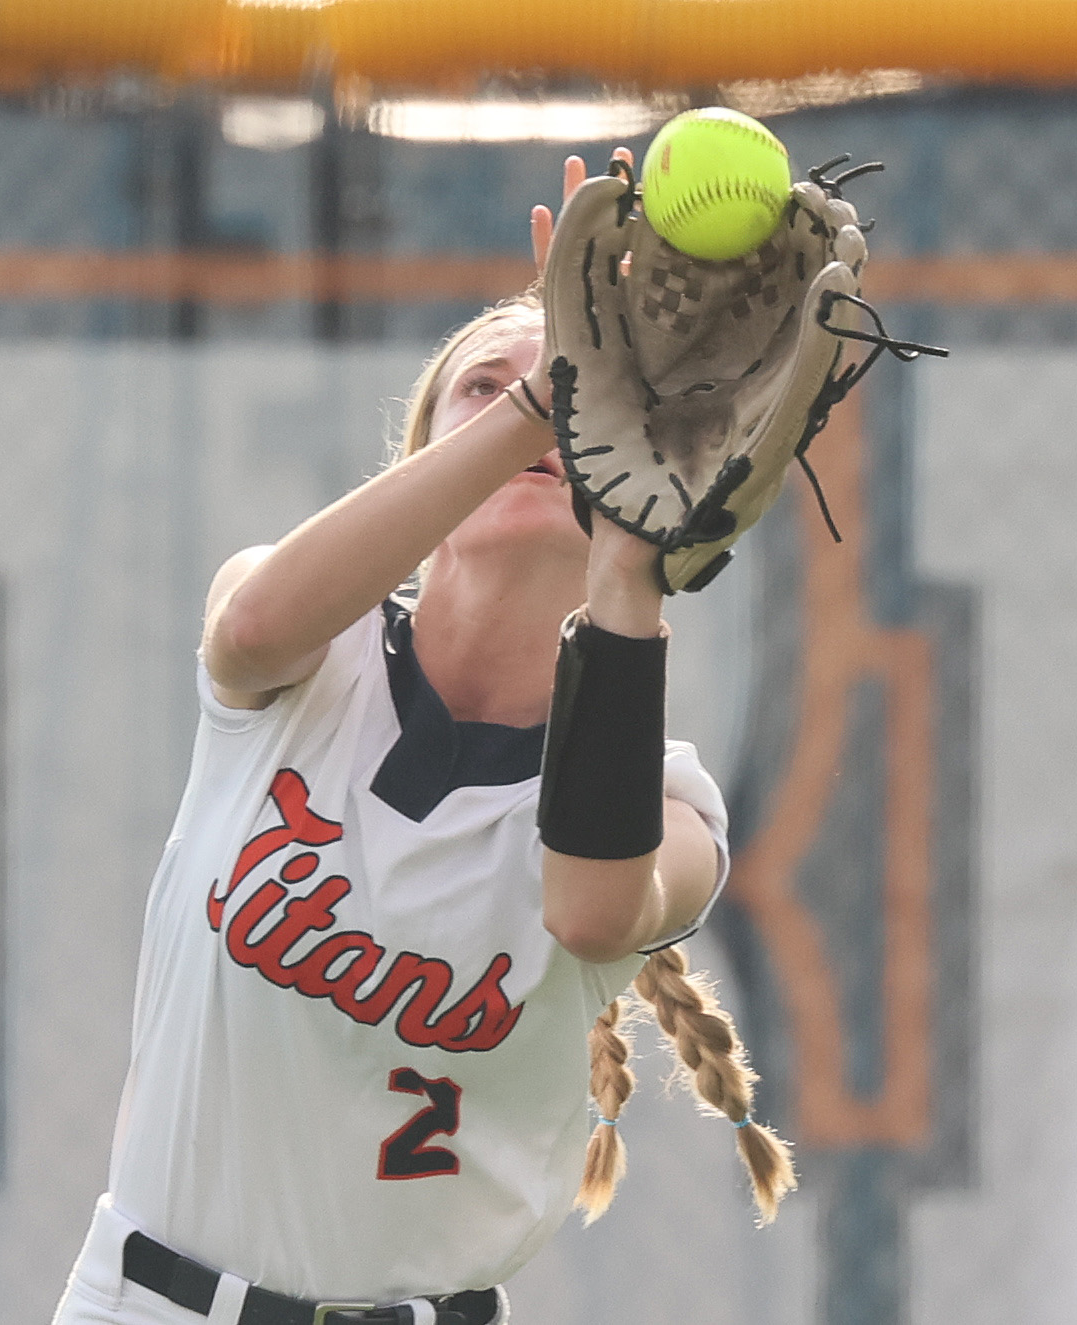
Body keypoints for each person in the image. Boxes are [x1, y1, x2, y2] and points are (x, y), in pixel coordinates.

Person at [52, 151, 793, 1325]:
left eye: (590, 396)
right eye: (488, 385)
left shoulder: (665, 803)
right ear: (427, 465)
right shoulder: (312, 657)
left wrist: (630, 559)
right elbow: (250, 626)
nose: (556, 397)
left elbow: (595, 909)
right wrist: (535, 403)